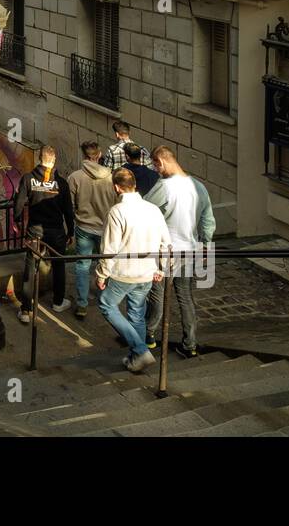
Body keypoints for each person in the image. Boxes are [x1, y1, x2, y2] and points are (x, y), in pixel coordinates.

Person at [95, 168, 172, 373]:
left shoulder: (117, 212)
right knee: (136, 314)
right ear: (134, 185)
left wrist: (102, 275)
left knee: (106, 305)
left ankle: (139, 350)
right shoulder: (153, 209)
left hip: (124, 273)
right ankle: (135, 358)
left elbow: (109, 248)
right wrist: (161, 268)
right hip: (147, 271)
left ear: (116, 187)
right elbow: (166, 242)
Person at [143, 146, 216, 358]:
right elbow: (208, 221)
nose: (156, 171)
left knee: (157, 296)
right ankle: (190, 343)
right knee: (185, 296)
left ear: (161, 162)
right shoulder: (199, 187)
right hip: (189, 251)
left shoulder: (164, 187)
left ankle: (149, 336)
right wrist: (205, 245)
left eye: (155, 166)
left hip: (165, 252)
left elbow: (145, 210)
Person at [14, 146, 73, 324]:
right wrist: (71, 231)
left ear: (39, 159)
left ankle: (25, 309)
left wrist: (17, 221)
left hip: (35, 231)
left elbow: (18, 205)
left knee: (31, 268)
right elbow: (68, 211)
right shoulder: (61, 183)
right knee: (59, 265)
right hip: (56, 231)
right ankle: (58, 301)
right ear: (53, 161)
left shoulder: (28, 179)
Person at [66, 141, 120, 321]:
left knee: (82, 266)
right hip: (106, 228)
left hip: (84, 227)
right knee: (107, 263)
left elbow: (70, 204)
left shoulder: (75, 177)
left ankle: (82, 304)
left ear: (84, 156)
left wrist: (77, 215)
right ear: (99, 155)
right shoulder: (112, 178)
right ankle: (108, 299)